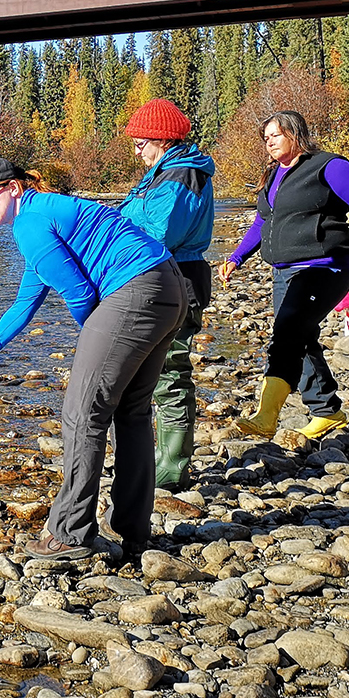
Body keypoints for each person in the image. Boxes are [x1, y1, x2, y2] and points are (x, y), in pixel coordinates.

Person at [0, 157, 188, 565]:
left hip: (135, 292)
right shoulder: (45, 214)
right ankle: (130, 529)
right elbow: (28, 298)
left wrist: (100, 342)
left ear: (11, 188)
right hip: (169, 289)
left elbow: (80, 296)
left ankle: (69, 533)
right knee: (131, 412)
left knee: (82, 414)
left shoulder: (30, 224)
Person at [220, 110, 349, 439]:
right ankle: (327, 411)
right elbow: (263, 222)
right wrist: (237, 257)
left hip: (325, 266)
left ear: (294, 133)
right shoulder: (273, 174)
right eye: (266, 137)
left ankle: (267, 414)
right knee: (298, 335)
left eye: (275, 135)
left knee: (288, 331)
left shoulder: (329, 166)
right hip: (285, 271)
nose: (269, 141)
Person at [118, 99, 217, 489]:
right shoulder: (166, 173)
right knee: (155, 373)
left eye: (140, 142)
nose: (136, 150)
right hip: (172, 277)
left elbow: (157, 235)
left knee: (169, 373)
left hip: (177, 279)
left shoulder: (179, 177)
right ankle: (161, 459)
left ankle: (172, 467)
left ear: (161, 139)